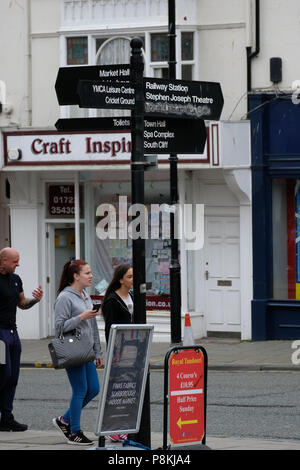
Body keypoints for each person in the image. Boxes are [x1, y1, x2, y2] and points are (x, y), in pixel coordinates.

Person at [52, 259, 103, 446]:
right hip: (73, 350)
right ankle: (75, 433)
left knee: (94, 389)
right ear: (76, 276)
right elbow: (58, 329)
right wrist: (80, 317)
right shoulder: (65, 298)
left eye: (90, 273)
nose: (91, 276)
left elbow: (93, 327)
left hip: (87, 351)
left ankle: (64, 420)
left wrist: (98, 352)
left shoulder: (85, 295)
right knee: (80, 390)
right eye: (87, 273)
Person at [0, 247, 43, 432]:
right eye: (15, 261)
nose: (18, 264)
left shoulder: (16, 279)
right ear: (3, 261)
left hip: (13, 334)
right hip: (0, 335)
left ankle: (7, 418)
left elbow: (22, 303)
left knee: (13, 378)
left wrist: (35, 300)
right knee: (3, 374)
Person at [101, 263, 133, 442]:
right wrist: (114, 352)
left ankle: (124, 426)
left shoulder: (133, 297)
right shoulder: (112, 301)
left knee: (129, 389)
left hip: (134, 350)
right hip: (120, 351)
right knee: (117, 391)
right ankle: (113, 429)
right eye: (129, 277)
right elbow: (109, 329)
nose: (133, 280)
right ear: (120, 280)